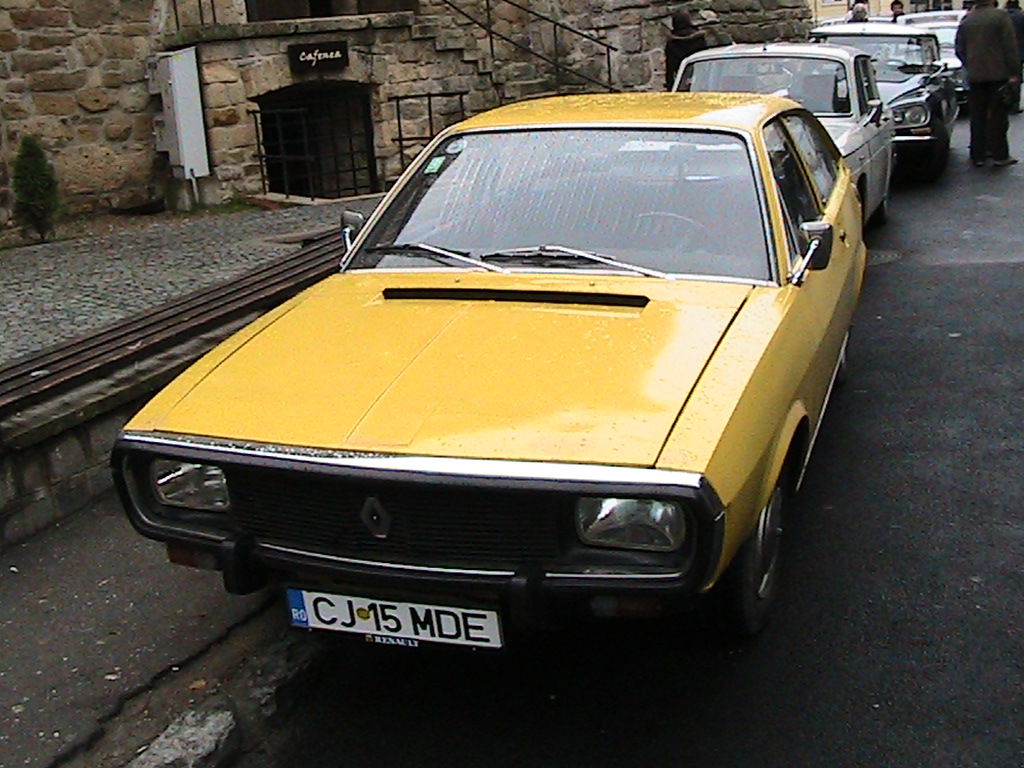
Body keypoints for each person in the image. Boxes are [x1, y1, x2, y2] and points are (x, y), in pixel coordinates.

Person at [956, 0, 1020, 165]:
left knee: (977, 117)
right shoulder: (1000, 17)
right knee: (998, 117)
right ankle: (999, 154)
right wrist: (1013, 72)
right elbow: (1010, 47)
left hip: (975, 75)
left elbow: (959, 48)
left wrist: (970, 64)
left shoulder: (967, 19)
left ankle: (978, 155)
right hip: (998, 74)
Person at [664, 10, 708, 89]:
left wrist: (670, 86)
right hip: (700, 77)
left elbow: (670, 66)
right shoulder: (699, 38)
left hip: (682, 78)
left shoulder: (672, 42)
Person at [1005, 0, 1024, 110]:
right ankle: (1015, 103)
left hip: (1003, 52)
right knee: (1016, 77)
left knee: (1004, 77)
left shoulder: (1002, 17)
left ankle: (1006, 100)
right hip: (1019, 51)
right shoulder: (1021, 17)